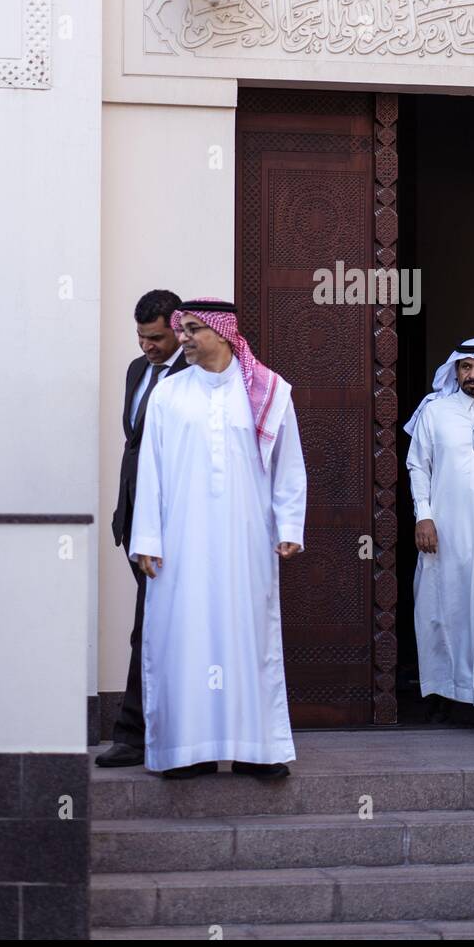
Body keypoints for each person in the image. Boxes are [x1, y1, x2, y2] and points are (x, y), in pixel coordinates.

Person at [129, 299, 307, 780]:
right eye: (180, 330)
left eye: (191, 330)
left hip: (247, 540)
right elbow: (151, 472)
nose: (182, 338)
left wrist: (290, 526)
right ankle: (189, 751)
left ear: (224, 333)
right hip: (180, 542)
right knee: (182, 637)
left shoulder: (269, 391)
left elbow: (288, 467)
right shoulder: (168, 396)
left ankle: (257, 750)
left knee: (247, 636)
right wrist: (147, 537)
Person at [96, 289, 187, 768]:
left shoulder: (195, 376)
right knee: (149, 626)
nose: (147, 346)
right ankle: (144, 732)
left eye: (156, 337)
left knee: (151, 628)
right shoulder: (136, 370)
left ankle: (137, 734)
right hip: (134, 521)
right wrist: (124, 514)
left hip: (174, 527)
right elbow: (134, 447)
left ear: (178, 329)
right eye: (141, 337)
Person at [405, 338, 474, 728]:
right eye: (466, 367)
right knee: (439, 608)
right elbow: (419, 466)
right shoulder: (435, 411)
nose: (473, 375)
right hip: (444, 529)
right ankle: (440, 692)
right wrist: (424, 516)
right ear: (454, 371)